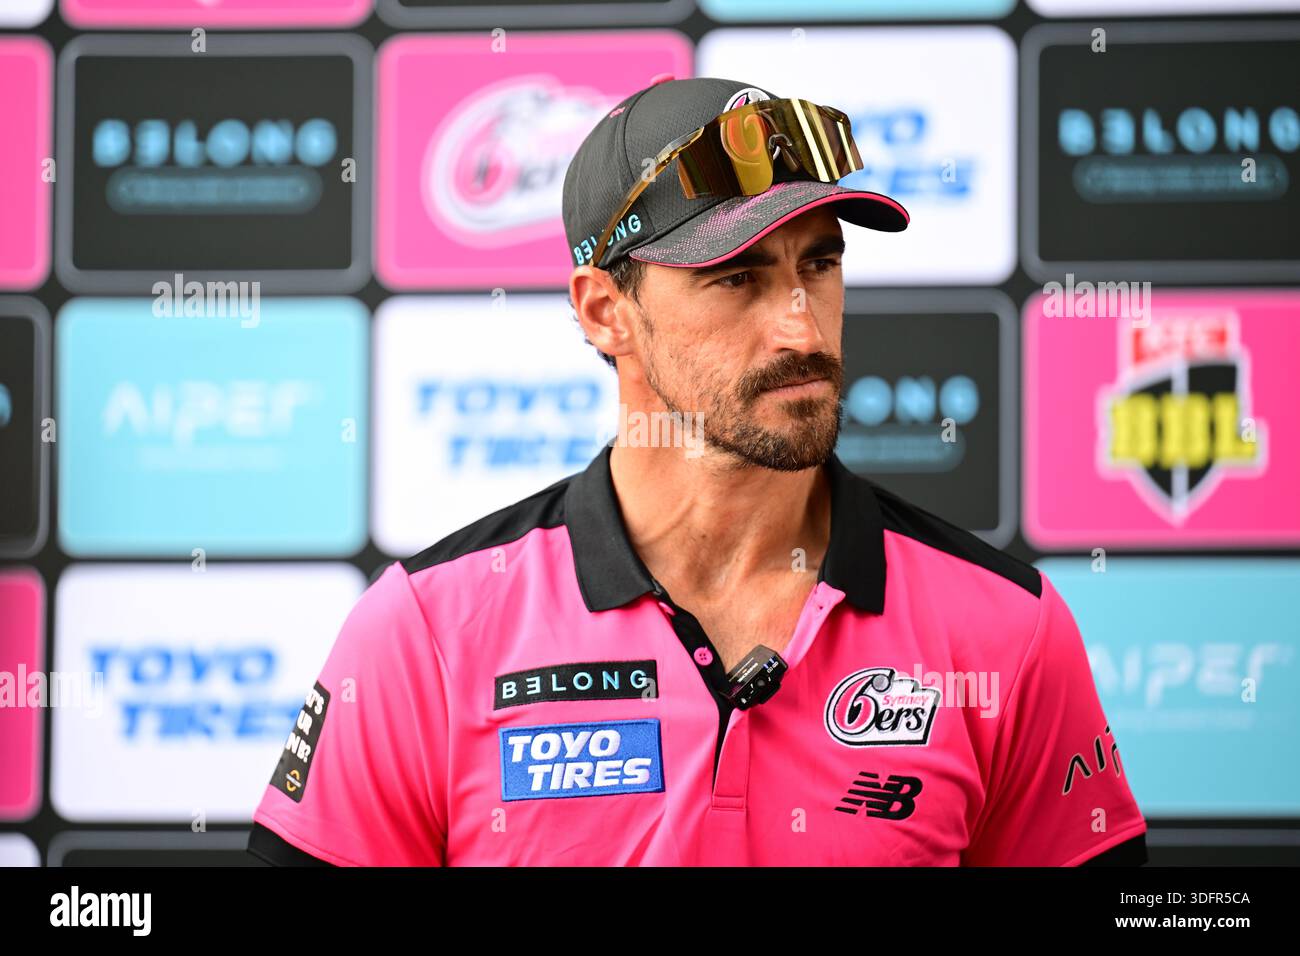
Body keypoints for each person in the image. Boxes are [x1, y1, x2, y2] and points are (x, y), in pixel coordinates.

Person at [247, 76, 1147, 866]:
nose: (801, 327)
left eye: (820, 265)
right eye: (736, 279)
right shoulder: (426, 636)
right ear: (606, 311)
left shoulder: (1006, 629)